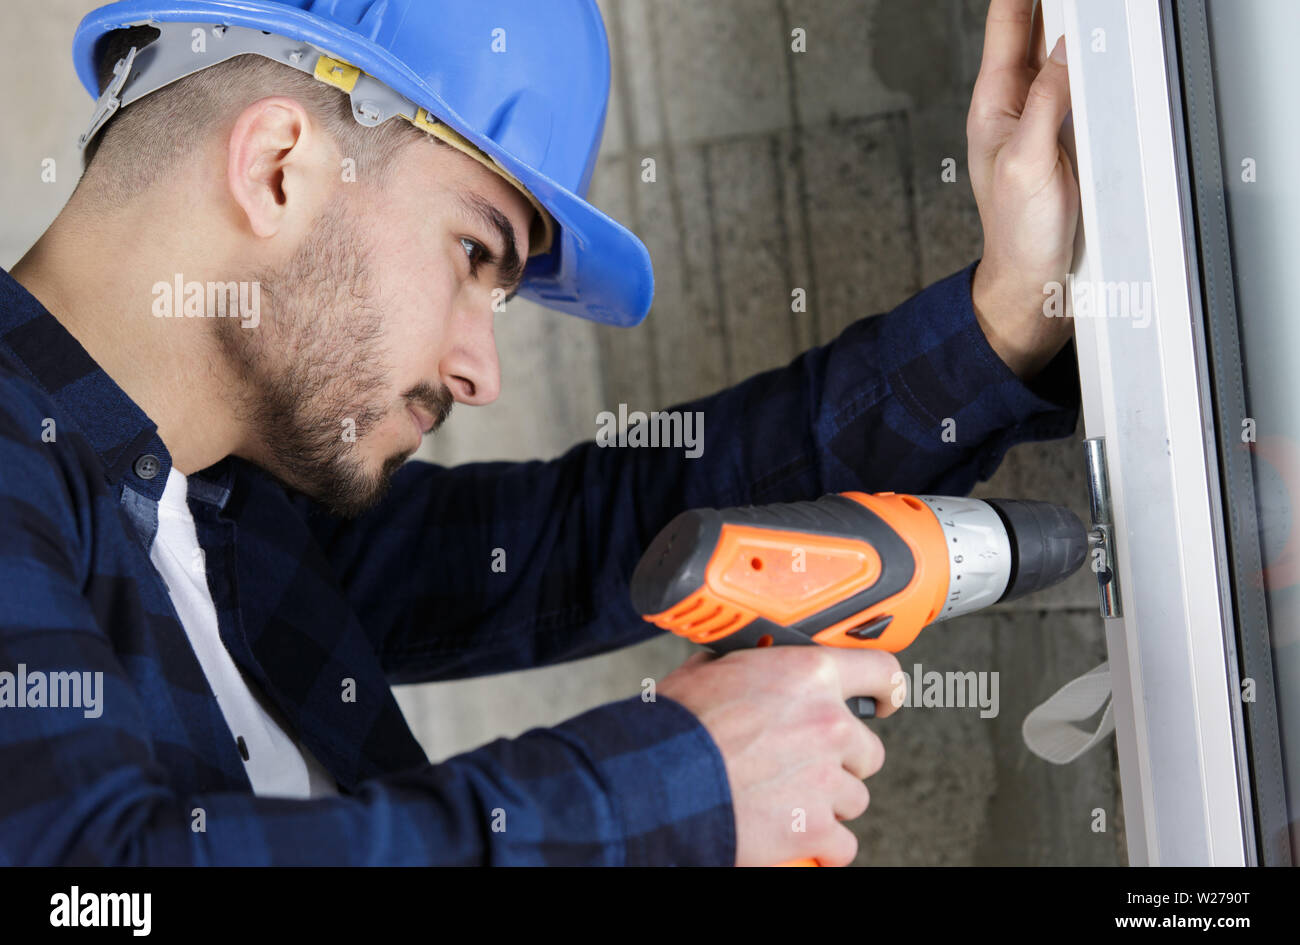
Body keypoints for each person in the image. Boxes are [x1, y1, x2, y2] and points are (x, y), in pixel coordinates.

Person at [0, 0, 1078, 865]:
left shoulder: (234, 509)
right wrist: (675, 788)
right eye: (475, 255)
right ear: (278, 167)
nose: (480, 370)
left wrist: (999, 325)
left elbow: (591, 533)